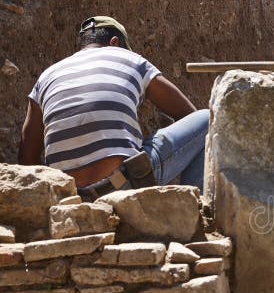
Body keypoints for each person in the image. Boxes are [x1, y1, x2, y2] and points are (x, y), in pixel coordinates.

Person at [18, 16, 209, 201]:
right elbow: (189, 117)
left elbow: (27, 158)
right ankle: (198, 208)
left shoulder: (46, 77)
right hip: (123, 187)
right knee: (208, 120)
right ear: (115, 42)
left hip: (68, 198)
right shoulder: (131, 59)